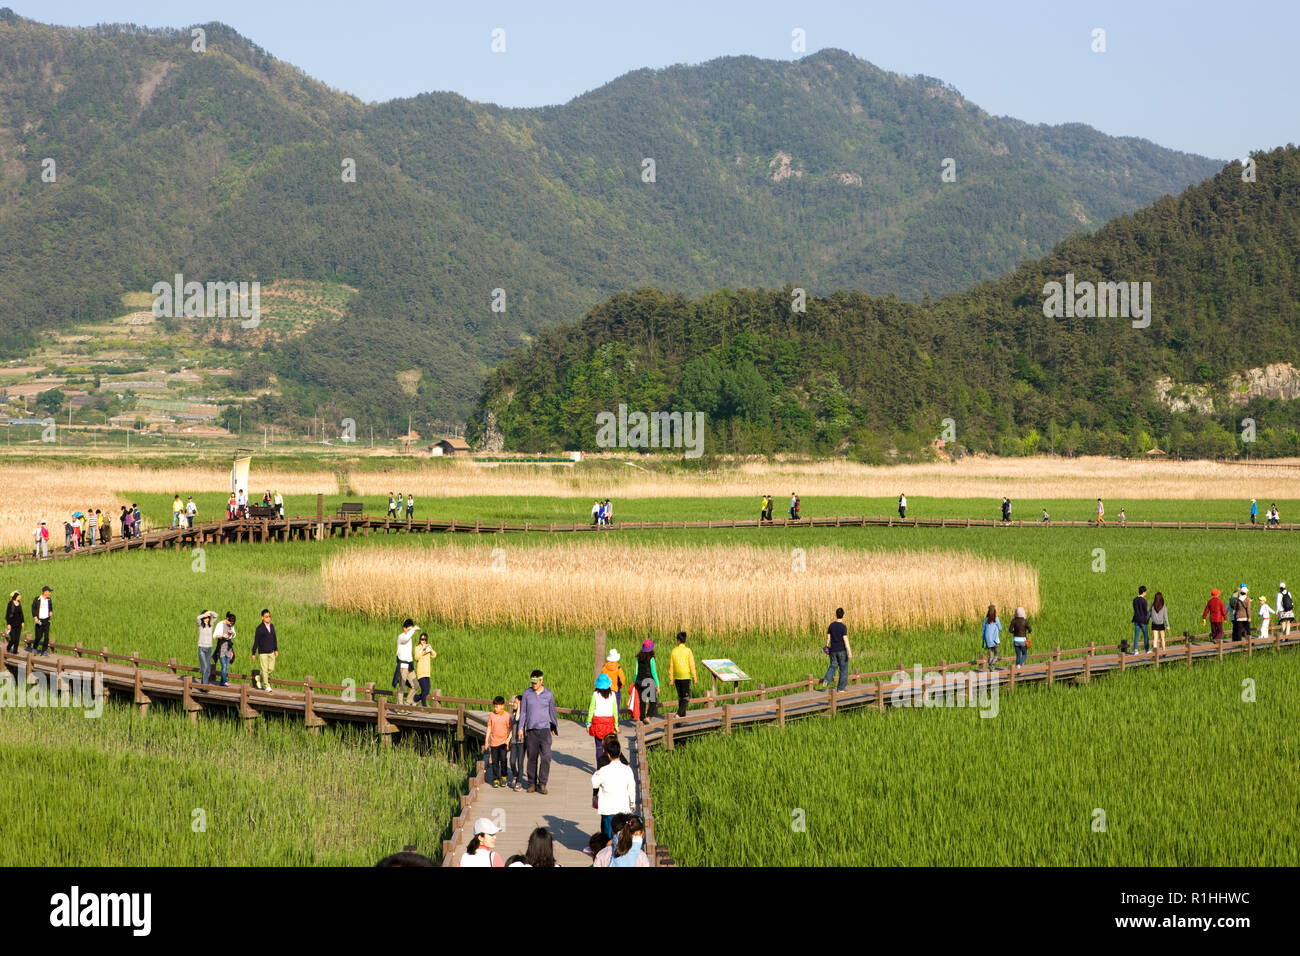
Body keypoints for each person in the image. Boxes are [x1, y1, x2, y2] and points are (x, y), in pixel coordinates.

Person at [519, 670, 558, 794]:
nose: (534, 684)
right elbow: (523, 712)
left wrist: (554, 726)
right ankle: (531, 783)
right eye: (532, 682)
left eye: (536, 682)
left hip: (545, 730)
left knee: (546, 756)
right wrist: (521, 727)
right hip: (531, 730)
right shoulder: (527, 693)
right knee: (532, 757)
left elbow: (552, 711)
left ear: (541, 681)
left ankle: (542, 783)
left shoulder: (548, 694)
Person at [592, 736, 636, 841]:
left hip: (608, 807)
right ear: (620, 752)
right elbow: (631, 787)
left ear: (608, 754)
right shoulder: (627, 770)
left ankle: (607, 852)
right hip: (622, 807)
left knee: (608, 835)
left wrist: (596, 774)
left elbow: (594, 783)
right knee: (621, 833)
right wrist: (632, 802)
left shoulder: (604, 770)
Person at [815, 607, 852, 691]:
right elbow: (845, 640)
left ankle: (826, 680)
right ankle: (841, 688)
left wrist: (827, 646)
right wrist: (849, 651)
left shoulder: (831, 625)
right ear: (843, 615)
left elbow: (828, 638)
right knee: (843, 669)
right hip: (842, 651)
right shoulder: (843, 627)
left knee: (833, 666)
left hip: (833, 651)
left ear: (836, 615)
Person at [587, 674, 618, 765]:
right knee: (609, 747)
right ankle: (608, 765)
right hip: (609, 724)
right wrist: (616, 725)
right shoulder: (613, 694)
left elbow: (591, 709)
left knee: (599, 747)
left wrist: (588, 723)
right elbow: (615, 711)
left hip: (597, 723)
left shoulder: (595, 694)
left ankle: (599, 767)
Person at [669, 631, 697, 717]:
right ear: (685, 640)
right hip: (686, 677)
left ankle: (681, 719)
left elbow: (671, 666)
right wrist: (694, 677)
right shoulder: (688, 651)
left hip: (677, 677)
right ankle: (678, 714)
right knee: (686, 698)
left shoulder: (674, 651)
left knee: (680, 698)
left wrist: (671, 678)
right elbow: (691, 664)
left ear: (678, 640)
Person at [485, 696, 511, 788]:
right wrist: (486, 741)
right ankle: (495, 779)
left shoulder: (507, 715)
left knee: (503, 760)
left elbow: (510, 729)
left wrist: (508, 741)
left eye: (497, 706)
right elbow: (489, 727)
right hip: (493, 742)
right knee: (494, 761)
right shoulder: (491, 715)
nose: (495, 708)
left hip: (503, 742)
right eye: (494, 706)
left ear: (502, 706)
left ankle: (504, 777)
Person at [250, 608, 278, 691]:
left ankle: (259, 678)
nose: (268, 618)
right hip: (263, 653)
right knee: (265, 670)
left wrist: (276, 649)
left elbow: (274, 638)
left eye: (269, 616)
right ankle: (267, 686)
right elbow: (256, 641)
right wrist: (253, 652)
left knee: (271, 669)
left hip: (271, 651)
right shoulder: (259, 628)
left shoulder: (272, 626)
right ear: (262, 617)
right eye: (266, 617)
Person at [393, 618, 419, 705]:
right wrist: (413, 629)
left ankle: (407, 703)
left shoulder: (409, 638)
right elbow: (406, 638)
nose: (410, 631)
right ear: (404, 628)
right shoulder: (401, 637)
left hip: (409, 666)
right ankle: (399, 706)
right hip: (403, 666)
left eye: (411, 629)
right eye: (409, 629)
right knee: (402, 686)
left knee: (415, 685)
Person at [634, 639, 660, 723]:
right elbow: (654, 672)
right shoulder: (651, 659)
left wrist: (635, 683)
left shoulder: (638, 658)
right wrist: (657, 685)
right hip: (649, 682)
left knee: (643, 700)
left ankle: (642, 718)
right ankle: (648, 717)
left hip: (639, 682)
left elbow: (636, 672)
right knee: (653, 700)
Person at [508, 694, 526, 790]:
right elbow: (512, 728)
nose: (513, 704)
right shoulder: (513, 714)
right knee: (511, 761)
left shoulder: (523, 714)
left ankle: (519, 782)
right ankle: (515, 775)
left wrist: (520, 707)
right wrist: (508, 739)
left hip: (522, 742)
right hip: (514, 741)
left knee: (520, 763)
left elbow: (519, 718)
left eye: (515, 702)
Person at [213, 612, 236, 686]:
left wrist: (232, 633)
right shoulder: (220, 624)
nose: (230, 624)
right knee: (224, 665)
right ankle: (225, 681)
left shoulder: (231, 626)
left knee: (227, 665)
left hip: (228, 646)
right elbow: (214, 635)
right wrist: (222, 635)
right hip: (221, 646)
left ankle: (222, 682)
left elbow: (234, 635)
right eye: (230, 622)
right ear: (227, 619)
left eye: (232, 623)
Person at [413, 632, 436, 705]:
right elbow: (416, 657)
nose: (423, 641)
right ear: (420, 639)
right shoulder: (417, 648)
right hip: (421, 672)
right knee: (424, 689)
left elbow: (434, 655)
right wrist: (423, 650)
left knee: (427, 690)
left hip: (427, 672)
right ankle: (424, 706)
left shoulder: (428, 646)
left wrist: (431, 649)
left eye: (425, 639)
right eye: (422, 639)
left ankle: (416, 698)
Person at [31, 586, 52, 655]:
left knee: (46, 637)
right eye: (49, 592)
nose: (50, 593)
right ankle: (34, 648)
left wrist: (51, 611)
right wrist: (35, 617)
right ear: (45, 592)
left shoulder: (49, 600)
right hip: (39, 620)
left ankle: (44, 650)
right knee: (38, 636)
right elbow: (33, 608)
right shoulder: (37, 599)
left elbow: (50, 607)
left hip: (46, 620)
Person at [196, 610, 216, 684]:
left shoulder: (211, 624)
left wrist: (210, 612)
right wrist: (204, 614)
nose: (207, 619)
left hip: (209, 648)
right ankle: (205, 686)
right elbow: (197, 618)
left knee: (208, 668)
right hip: (201, 648)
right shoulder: (200, 625)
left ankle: (204, 683)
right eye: (205, 617)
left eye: (208, 617)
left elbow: (216, 615)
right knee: (204, 667)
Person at [1132, 586, 1151, 654]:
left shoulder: (1134, 600)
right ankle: (1147, 649)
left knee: (1136, 636)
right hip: (1143, 620)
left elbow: (1135, 609)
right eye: (1145, 591)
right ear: (1143, 592)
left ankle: (1135, 650)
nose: (1146, 593)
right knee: (1145, 635)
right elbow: (1145, 612)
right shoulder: (1144, 601)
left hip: (1136, 619)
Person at [981, 605, 1001, 669]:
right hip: (994, 640)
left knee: (990, 656)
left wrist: (984, 639)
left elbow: (983, 631)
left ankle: (990, 668)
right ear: (994, 611)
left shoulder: (985, 620)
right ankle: (991, 665)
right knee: (997, 654)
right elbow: (1000, 628)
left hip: (987, 640)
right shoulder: (996, 619)